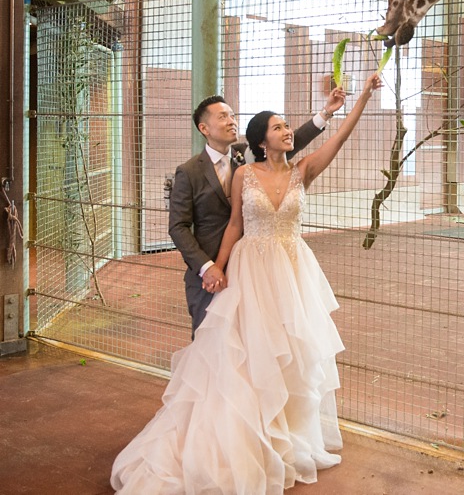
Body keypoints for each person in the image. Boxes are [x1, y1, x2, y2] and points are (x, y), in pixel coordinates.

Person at [111, 73, 382, 494]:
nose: (286, 131)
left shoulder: (296, 169)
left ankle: (281, 440)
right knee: (232, 360)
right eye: (277, 127)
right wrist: (214, 269)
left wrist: (352, 101)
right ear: (207, 127)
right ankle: (231, 440)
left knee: (288, 357)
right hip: (244, 273)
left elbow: (331, 139)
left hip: (292, 276)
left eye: (235, 116)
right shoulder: (230, 172)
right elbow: (228, 225)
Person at [170, 90, 346, 336]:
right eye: (222, 117)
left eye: (232, 115)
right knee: (211, 342)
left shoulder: (248, 156)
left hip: (256, 269)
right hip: (211, 271)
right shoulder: (188, 172)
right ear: (204, 128)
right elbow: (178, 227)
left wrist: (325, 113)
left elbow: (288, 143)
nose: (232, 121)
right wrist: (207, 266)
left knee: (258, 342)